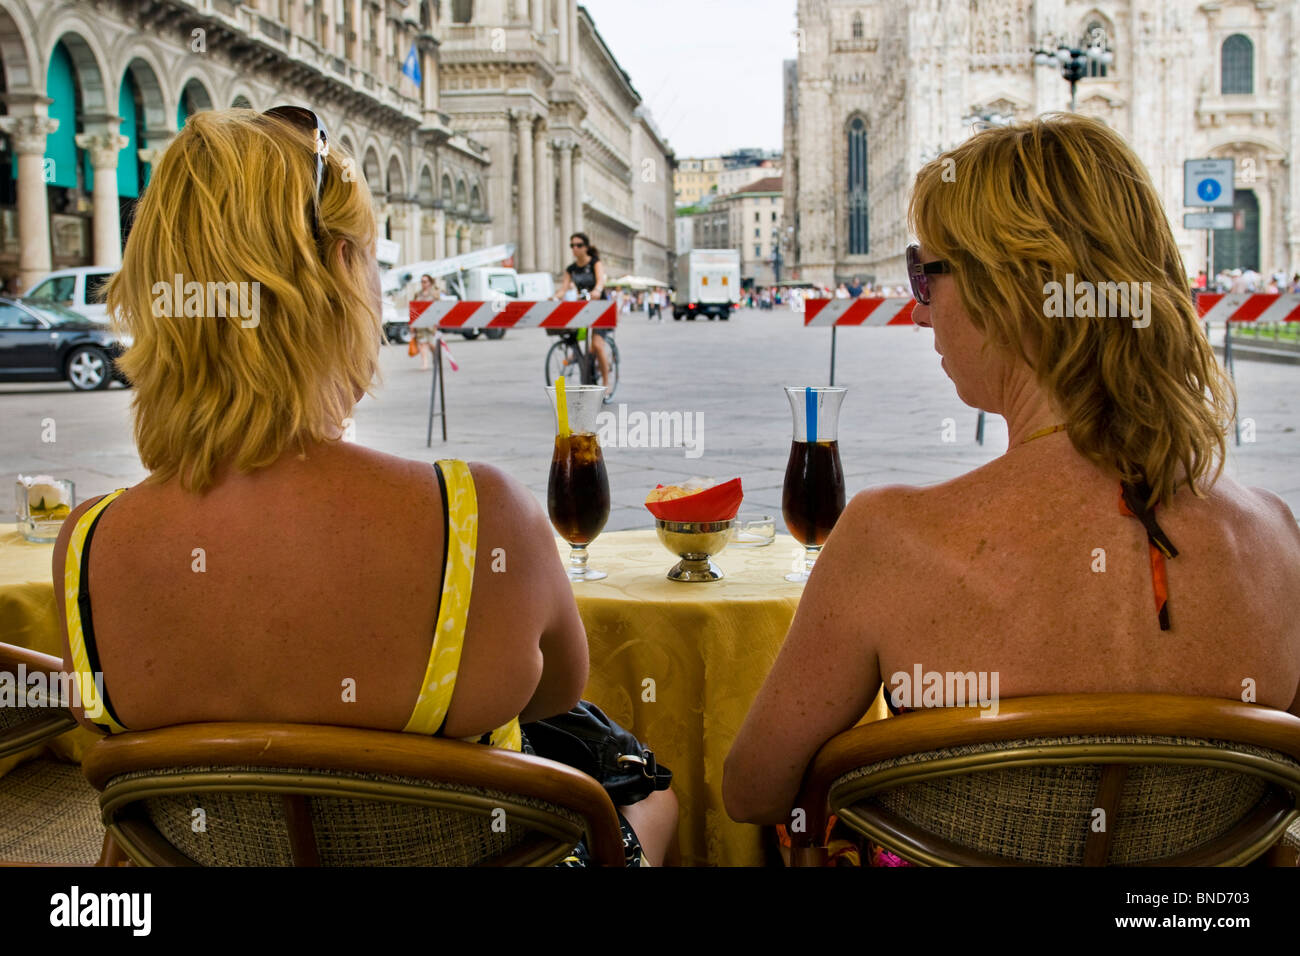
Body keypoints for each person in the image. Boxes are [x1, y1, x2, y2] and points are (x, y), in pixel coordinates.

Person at [54, 108, 676, 867]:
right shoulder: (480, 517)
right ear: (342, 268)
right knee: (647, 788)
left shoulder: (86, 548)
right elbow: (554, 692)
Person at [725, 113, 1300, 849]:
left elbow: (753, 789)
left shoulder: (887, 541)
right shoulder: (1276, 537)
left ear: (1006, 292)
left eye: (924, 275)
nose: (918, 309)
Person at [555, 231, 614, 399]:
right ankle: (580, 361)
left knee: (597, 344)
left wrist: (597, 290)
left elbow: (601, 280)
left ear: (586, 247)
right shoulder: (571, 269)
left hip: (600, 308)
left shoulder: (595, 263)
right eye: (572, 245)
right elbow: (563, 288)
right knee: (577, 340)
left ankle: (606, 382)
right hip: (584, 309)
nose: (575, 248)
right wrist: (554, 297)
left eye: (579, 245)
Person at [411, 273, 437, 370]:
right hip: (420, 324)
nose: (423, 283)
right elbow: (413, 309)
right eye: (422, 281)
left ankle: (435, 356)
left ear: (429, 283)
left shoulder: (434, 294)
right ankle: (424, 363)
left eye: (425, 281)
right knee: (422, 343)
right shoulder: (418, 294)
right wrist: (412, 324)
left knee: (431, 344)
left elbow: (438, 309)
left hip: (430, 324)